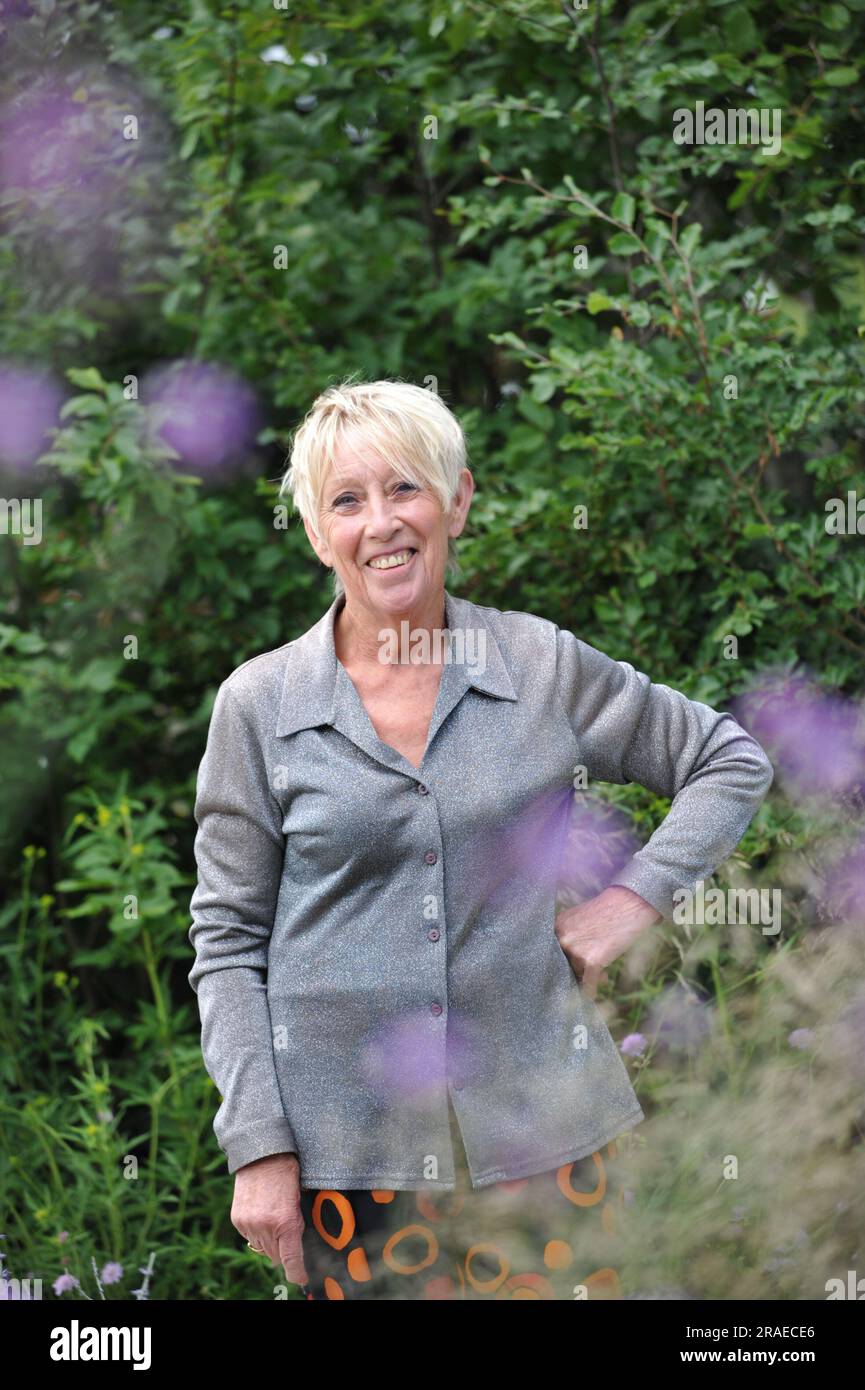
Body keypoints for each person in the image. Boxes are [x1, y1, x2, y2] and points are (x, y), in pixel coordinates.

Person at [187, 378, 774, 1301]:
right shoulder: (260, 707)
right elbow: (225, 947)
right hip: (353, 1162)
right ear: (315, 534)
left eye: (405, 489)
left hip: (545, 1138)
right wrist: (257, 1144)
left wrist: (632, 900)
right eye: (347, 500)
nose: (380, 522)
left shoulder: (538, 664)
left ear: (456, 501)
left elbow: (726, 759)